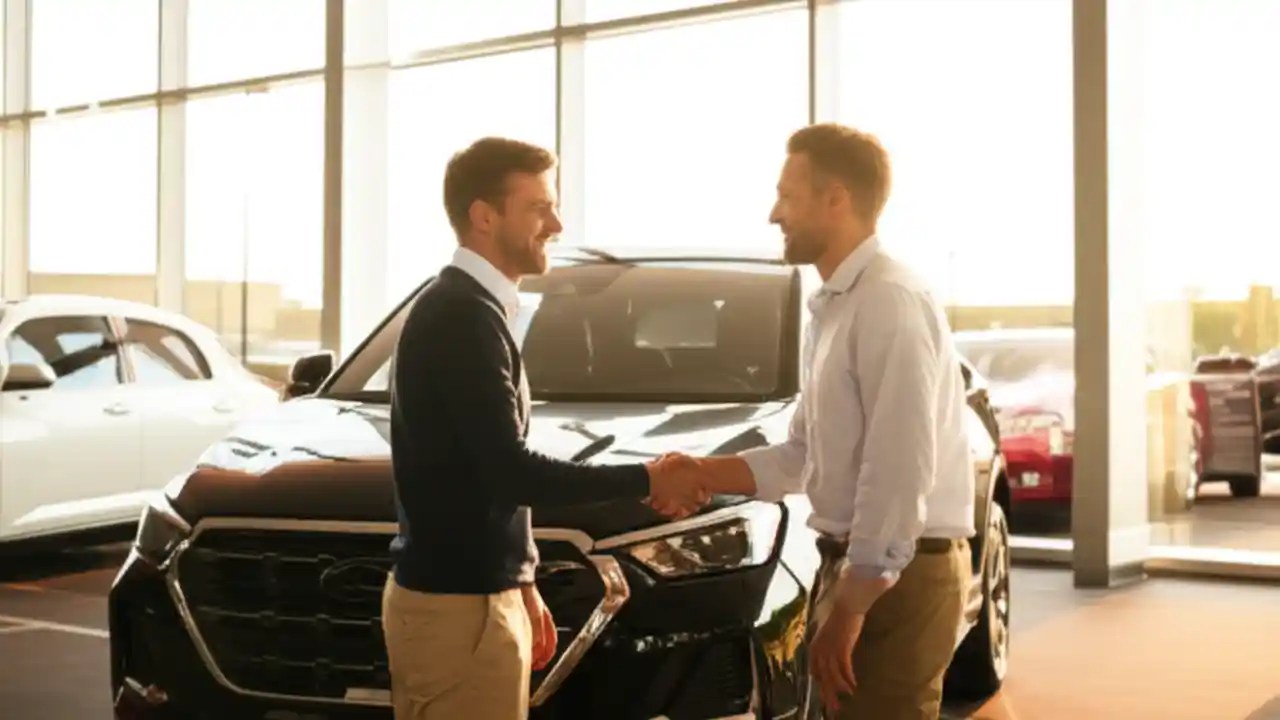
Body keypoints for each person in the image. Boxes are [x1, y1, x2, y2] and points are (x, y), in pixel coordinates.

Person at [382, 136, 707, 720]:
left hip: (476, 598)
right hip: (459, 613)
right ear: (484, 216)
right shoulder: (461, 318)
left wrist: (519, 577)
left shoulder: (471, 309)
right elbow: (510, 471)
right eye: (539, 207)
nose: (556, 223)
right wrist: (649, 477)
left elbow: (474, 473)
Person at [669, 123, 975, 719]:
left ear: (837, 198)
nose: (773, 213)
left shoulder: (889, 299)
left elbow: (898, 468)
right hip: (863, 569)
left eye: (788, 195)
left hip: (898, 579)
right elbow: (802, 457)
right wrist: (696, 471)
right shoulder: (835, 306)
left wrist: (853, 605)